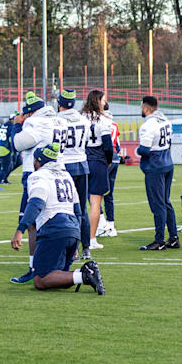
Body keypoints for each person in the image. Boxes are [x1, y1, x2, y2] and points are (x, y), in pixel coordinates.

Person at [10, 143, 104, 294]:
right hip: (72, 228)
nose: (33, 163)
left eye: (35, 160)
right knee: (58, 276)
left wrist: (20, 230)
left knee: (40, 280)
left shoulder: (38, 176)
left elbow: (36, 203)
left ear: (39, 161)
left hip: (54, 228)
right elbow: (78, 211)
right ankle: (84, 273)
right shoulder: (66, 175)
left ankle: (85, 275)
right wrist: (77, 239)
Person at [6, 92, 57, 283]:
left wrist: (17, 125)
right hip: (59, 172)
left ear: (30, 112)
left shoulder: (35, 122)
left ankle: (34, 267)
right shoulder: (56, 120)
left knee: (32, 223)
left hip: (36, 173)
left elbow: (17, 144)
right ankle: (60, 261)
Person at [50, 88, 94, 251]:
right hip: (82, 165)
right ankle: (86, 247)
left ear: (60, 104)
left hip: (63, 167)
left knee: (63, 208)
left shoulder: (56, 120)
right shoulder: (84, 121)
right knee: (81, 209)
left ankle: (71, 247)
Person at [136, 96, 178, 251]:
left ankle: (159, 240)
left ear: (146, 108)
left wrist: (138, 149)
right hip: (167, 162)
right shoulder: (165, 120)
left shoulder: (148, 125)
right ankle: (173, 237)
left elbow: (145, 150)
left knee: (158, 204)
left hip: (155, 165)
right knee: (165, 202)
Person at [82, 90, 116, 250]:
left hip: (80, 160)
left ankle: (75, 239)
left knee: (78, 203)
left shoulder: (80, 117)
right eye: (103, 100)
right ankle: (91, 239)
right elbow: (108, 146)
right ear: (97, 101)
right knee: (95, 204)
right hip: (98, 161)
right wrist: (108, 162)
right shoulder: (104, 120)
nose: (104, 103)